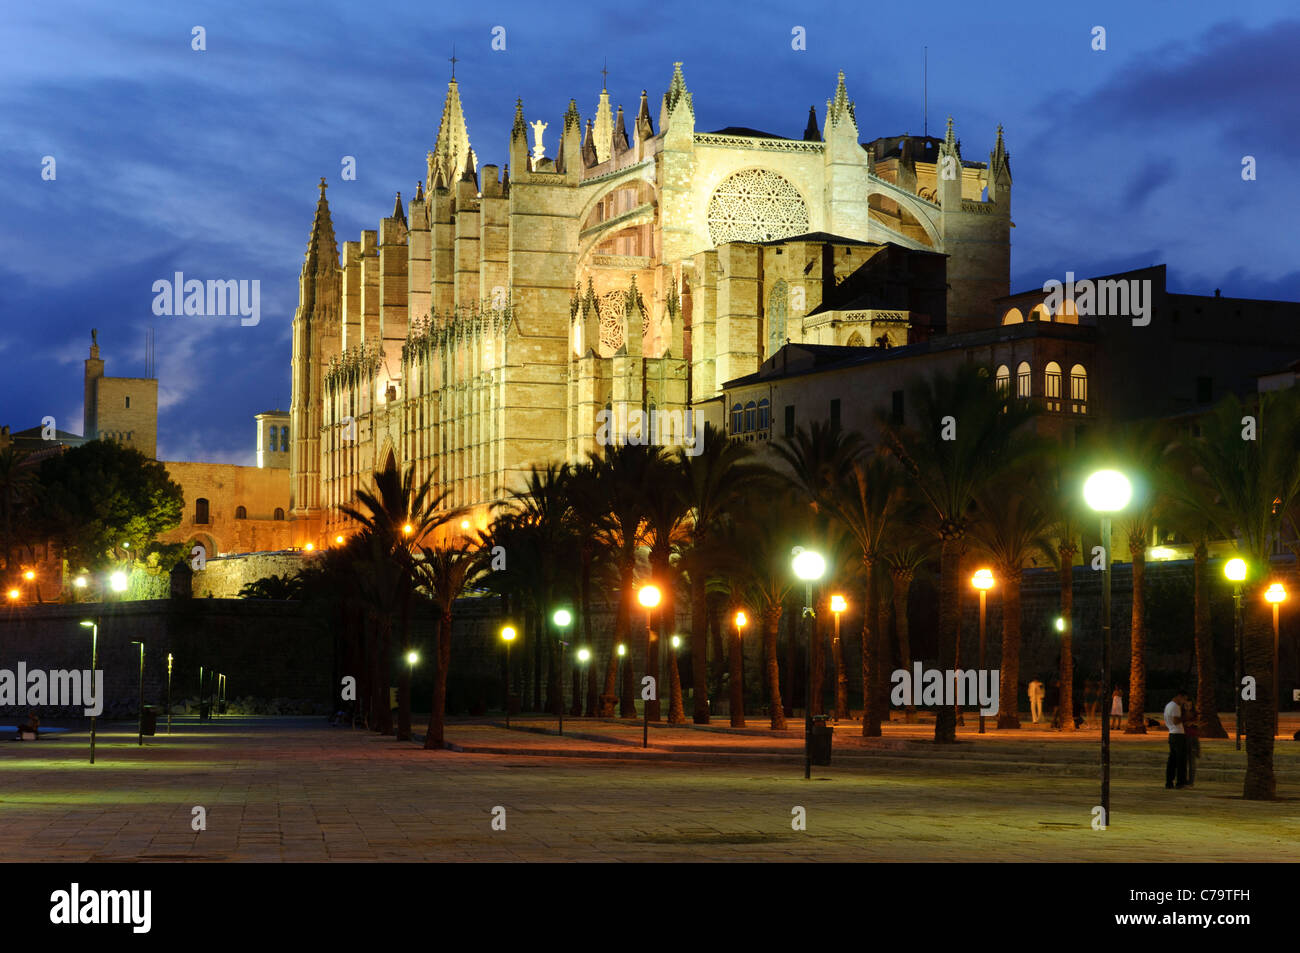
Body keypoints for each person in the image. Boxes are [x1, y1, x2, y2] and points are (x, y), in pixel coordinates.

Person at [1164, 689, 1189, 789]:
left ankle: (1169, 782)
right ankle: (1180, 782)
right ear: (1180, 696)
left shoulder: (1169, 705)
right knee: (1180, 760)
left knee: (1172, 760)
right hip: (1178, 734)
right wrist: (1186, 717)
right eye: (1184, 699)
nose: (1184, 702)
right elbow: (1176, 721)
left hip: (1172, 734)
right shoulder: (1175, 707)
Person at [1184, 696, 1200, 786]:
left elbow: (1198, 723)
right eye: (1186, 705)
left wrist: (1192, 724)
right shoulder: (1181, 714)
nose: (1187, 707)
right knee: (1185, 761)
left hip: (1192, 738)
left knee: (1192, 761)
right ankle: (1184, 779)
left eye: (1189, 705)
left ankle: (1191, 781)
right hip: (1184, 738)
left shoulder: (1194, 714)